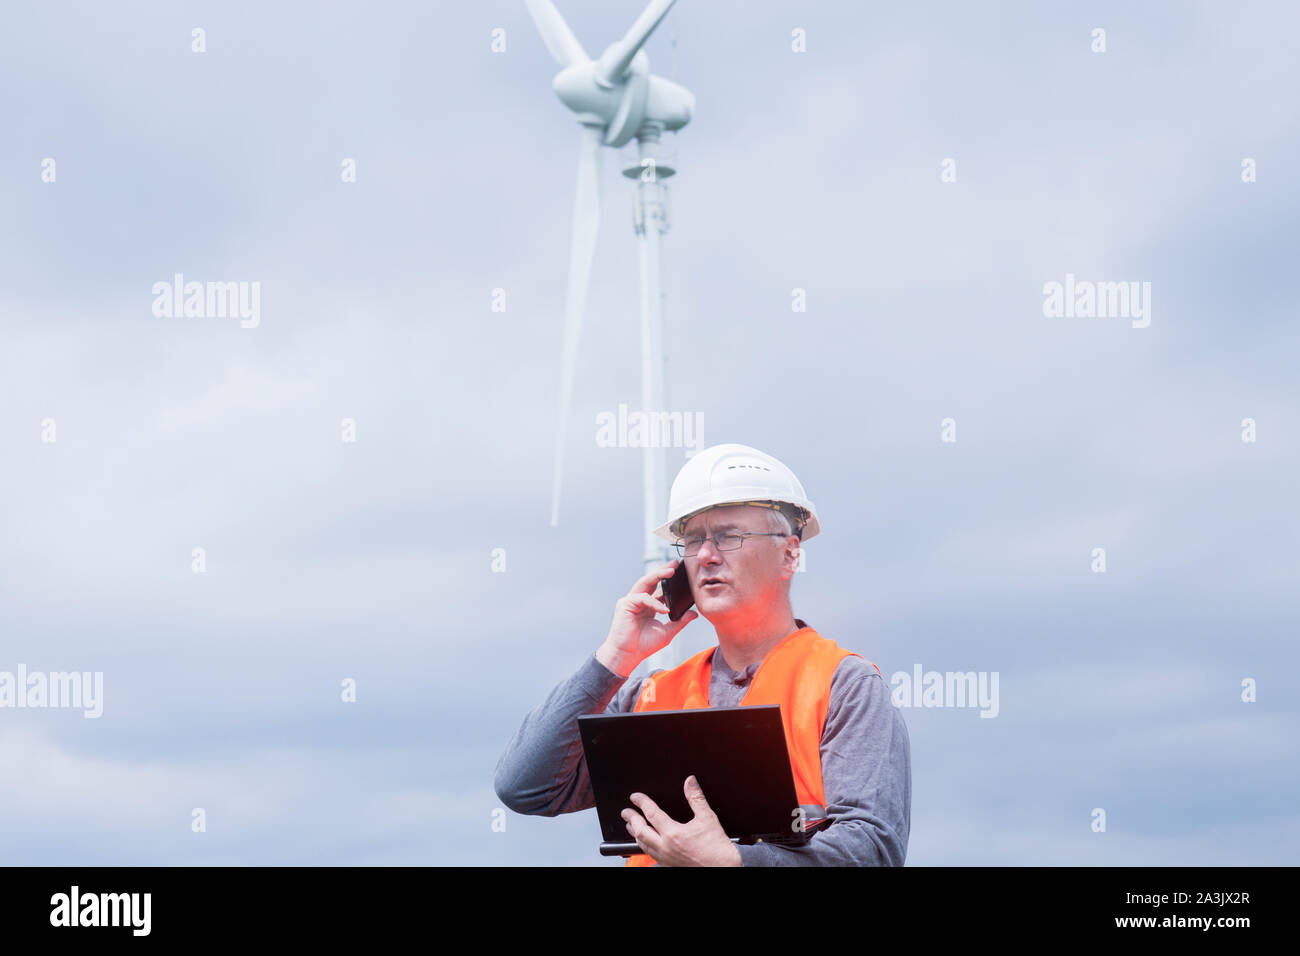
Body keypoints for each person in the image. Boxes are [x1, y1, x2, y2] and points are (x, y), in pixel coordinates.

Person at [494, 443, 911, 866]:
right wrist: (614, 658)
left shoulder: (845, 686)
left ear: (789, 554)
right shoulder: (647, 697)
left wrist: (731, 863)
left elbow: (871, 853)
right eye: (694, 541)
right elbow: (527, 787)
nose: (707, 555)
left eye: (729, 536)